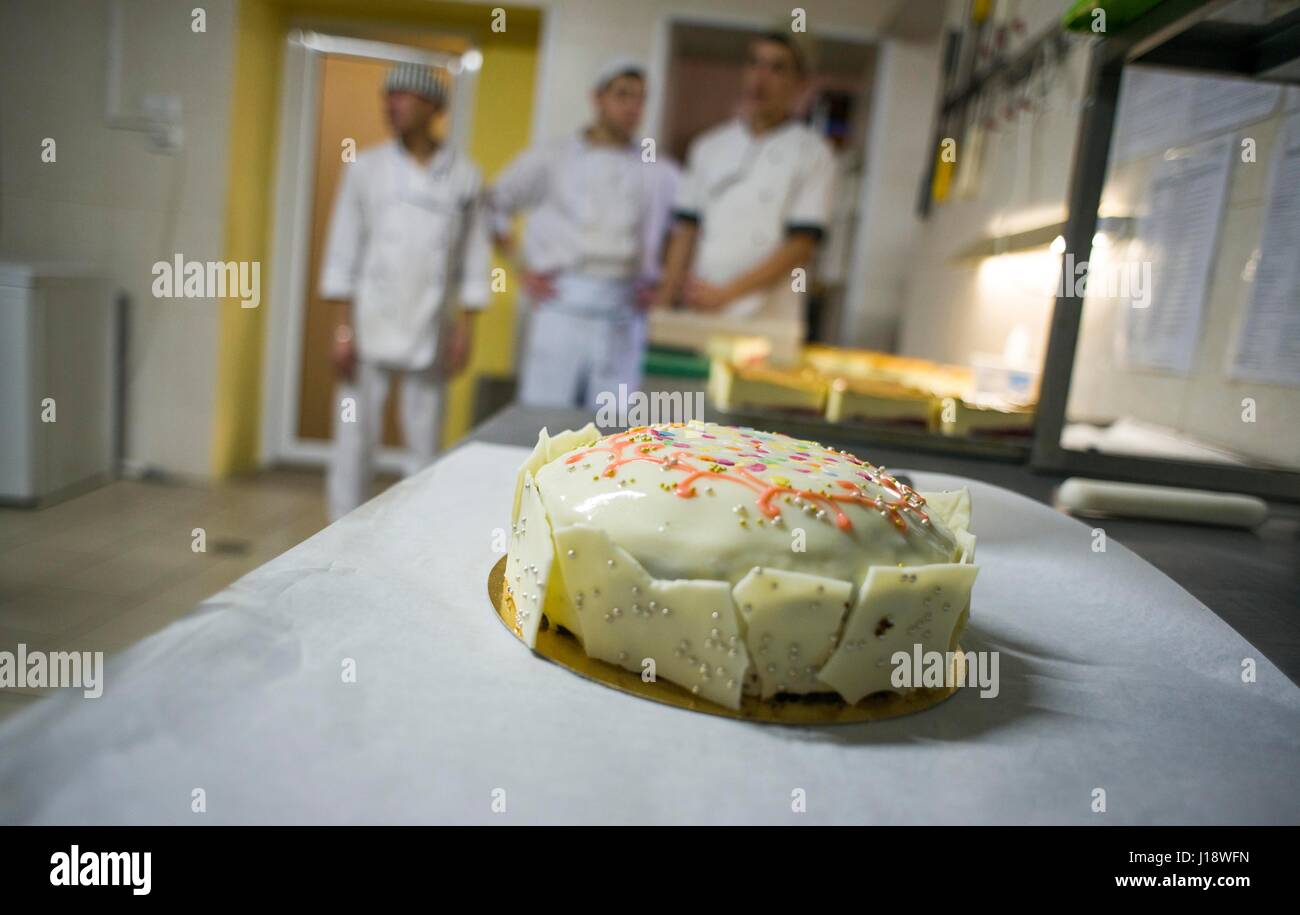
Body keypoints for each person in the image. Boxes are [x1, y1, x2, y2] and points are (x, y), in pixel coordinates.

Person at [319, 62, 491, 520]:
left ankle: (418, 527)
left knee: (424, 443)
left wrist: (466, 329)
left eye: (404, 97)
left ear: (434, 106)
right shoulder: (366, 169)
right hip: (368, 327)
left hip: (429, 327)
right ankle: (339, 529)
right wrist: (340, 329)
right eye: (388, 97)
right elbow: (343, 251)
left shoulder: (464, 175)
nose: (392, 105)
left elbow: (475, 259)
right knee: (354, 438)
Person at [488, 59, 679, 409]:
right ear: (597, 98)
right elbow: (494, 203)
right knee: (544, 419)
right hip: (561, 305)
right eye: (622, 95)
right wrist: (520, 268)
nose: (632, 107)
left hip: (624, 312)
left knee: (614, 426)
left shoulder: (657, 169)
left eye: (640, 98)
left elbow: (682, 230)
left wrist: (663, 287)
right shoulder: (553, 157)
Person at [655, 31, 834, 326]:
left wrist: (726, 294)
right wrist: (663, 304)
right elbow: (685, 231)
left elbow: (802, 245)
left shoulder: (814, 153)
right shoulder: (708, 146)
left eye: (777, 68)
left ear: (799, 83)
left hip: (769, 315)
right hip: (701, 304)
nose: (761, 78)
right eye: (754, 64)